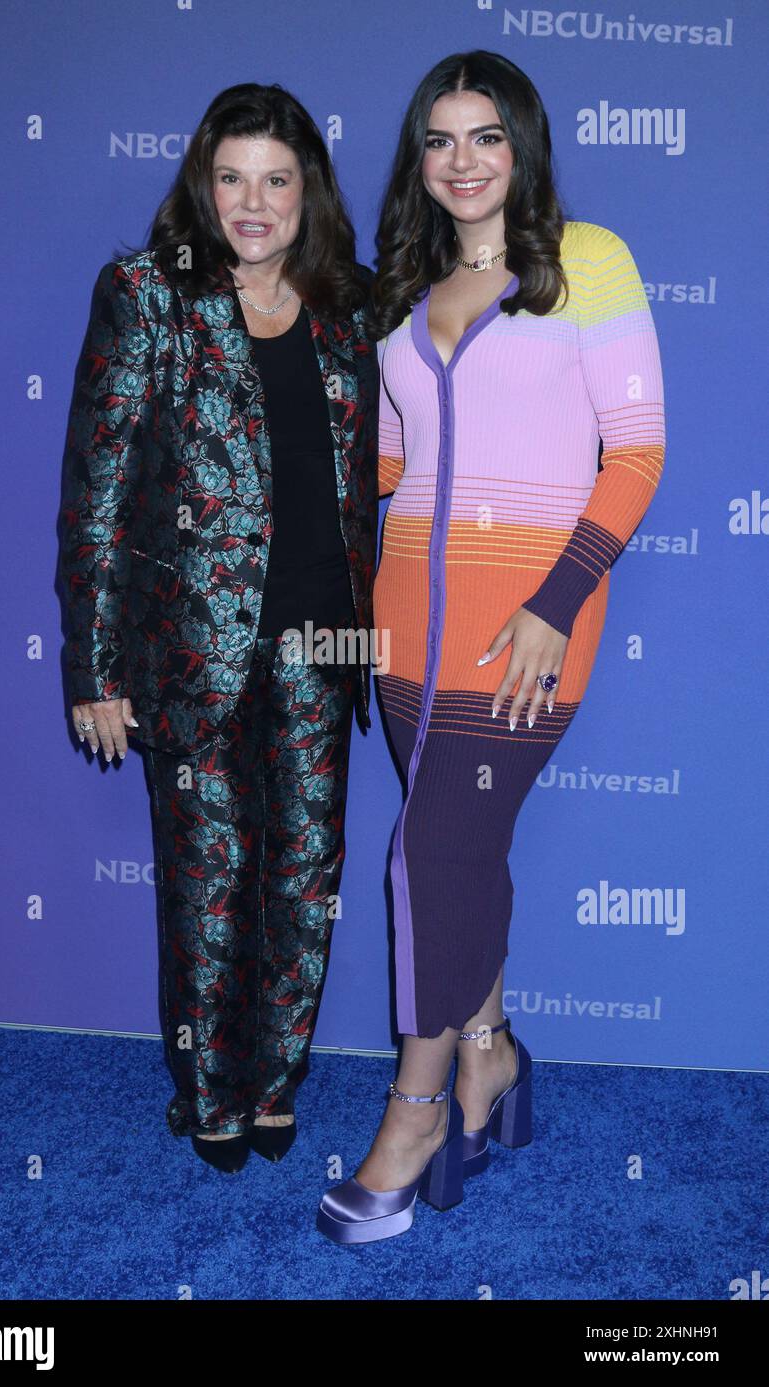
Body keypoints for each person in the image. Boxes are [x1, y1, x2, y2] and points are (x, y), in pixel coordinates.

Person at [316, 49, 665, 1243]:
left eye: (485, 137)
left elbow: (634, 456)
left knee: (426, 864)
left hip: (525, 630)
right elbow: (397, 467)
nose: (461, 162)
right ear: (417, 160)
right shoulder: (402, 296)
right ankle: (489, 1055)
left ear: (522, 146)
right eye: (438, 140)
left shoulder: (588, 263)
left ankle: (414, 1113)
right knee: (459, 862)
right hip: (406, 633)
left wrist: (553, 601)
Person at [58, 83, 379, 1174]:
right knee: (207, 881)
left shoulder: (348, 303)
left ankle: (276, 1080)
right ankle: (208, 1093)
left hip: (324, 642)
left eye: (276, 180)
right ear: (203, 183)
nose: (252, 203)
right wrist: (94, 669)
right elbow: (96, 492)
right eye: (232, 177)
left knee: (302, 871)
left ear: (307, 193)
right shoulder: (149, 293)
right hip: (188, 647)